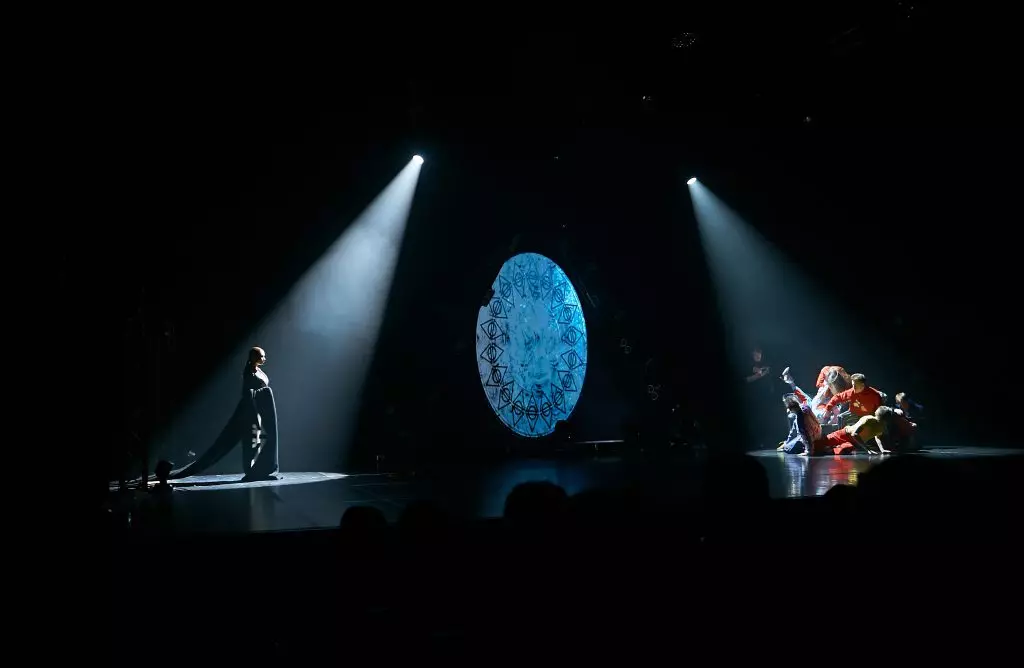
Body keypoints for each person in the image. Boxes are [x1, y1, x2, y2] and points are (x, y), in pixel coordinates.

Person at [170, 347, 280, 481]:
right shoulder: (249, 372)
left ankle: (260, 467)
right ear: (254, 357)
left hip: (261, 409)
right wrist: (253, 410)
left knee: (260, 438)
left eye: (264, 356)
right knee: (252, 439)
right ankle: (250, 469)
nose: (264, 359)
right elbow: (247, 394)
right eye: (261, 356)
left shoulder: (259, 371)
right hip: (251, 409)